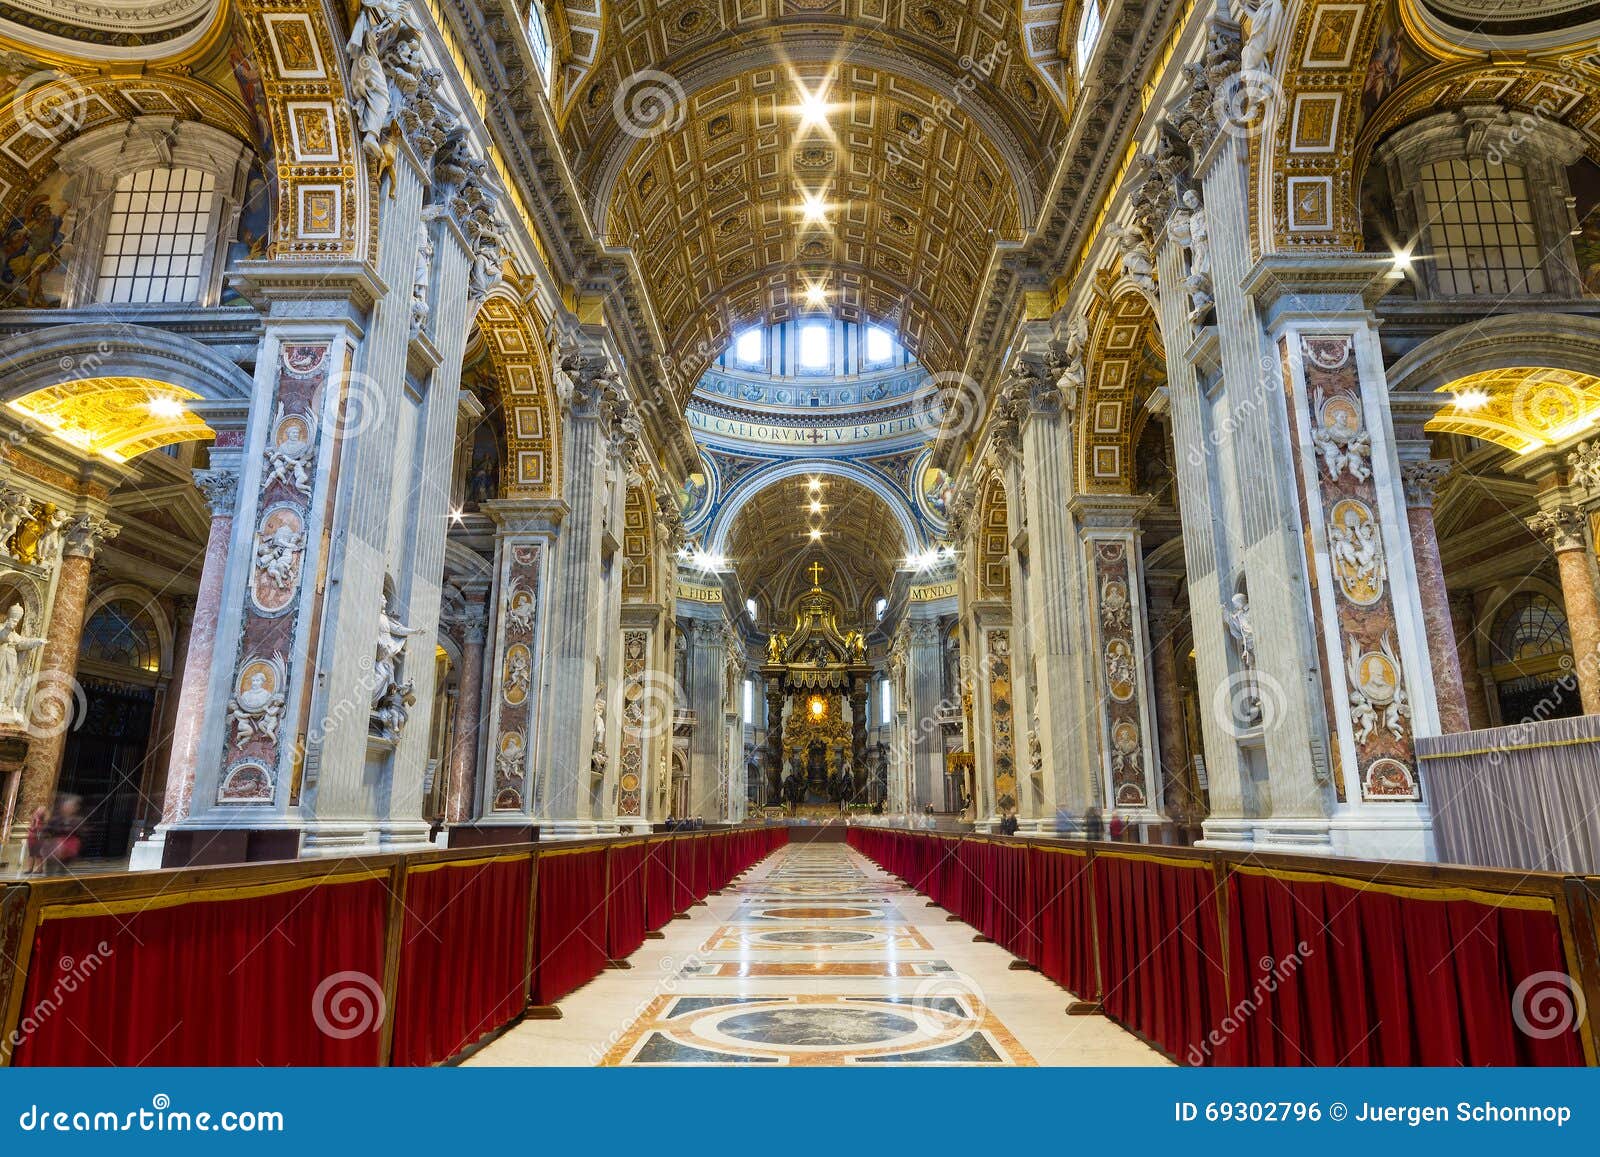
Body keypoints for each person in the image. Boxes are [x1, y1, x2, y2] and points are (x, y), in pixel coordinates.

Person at [42, 794, 82, 875]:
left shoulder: (77, 821)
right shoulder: (55, 819)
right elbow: (46, 831)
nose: (68, 808)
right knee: (50, 871)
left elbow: (81, 834)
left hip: (69, 849)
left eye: (70, 806)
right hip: (54, 848)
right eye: (66, 806)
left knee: (63, 871)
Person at [23, 804, 45, 875]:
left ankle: (39, 869)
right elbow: (31, 827)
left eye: (40, 811)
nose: (38, 812)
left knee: (38, 854)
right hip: (31, 838)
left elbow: (39, 828)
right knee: (31, 853)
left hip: (38, 838)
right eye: (38, 810)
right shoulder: (33, 819)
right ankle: (29, 869)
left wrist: (37, 821)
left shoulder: (42, 820)